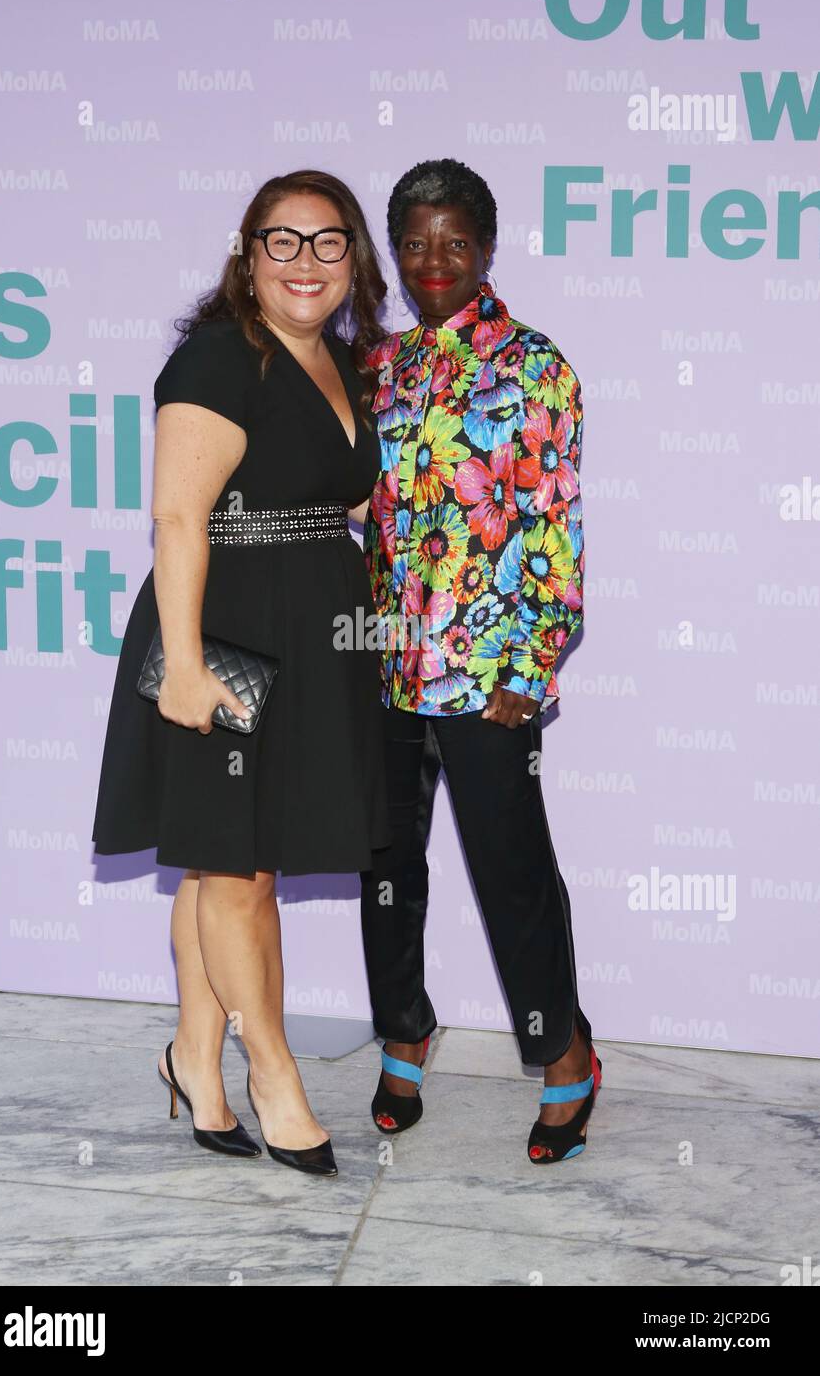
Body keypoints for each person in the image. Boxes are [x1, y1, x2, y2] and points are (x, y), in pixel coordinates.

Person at [92, 169, 391, 1177]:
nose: (305, 261)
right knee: (240, 875)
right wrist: (179, 665)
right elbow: (178, 518)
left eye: (328, 241)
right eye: (282, 241)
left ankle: (192, 1057)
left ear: (355, 260)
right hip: (222, 634)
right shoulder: (219, 358)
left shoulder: (340, 364)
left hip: (310, 636)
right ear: (246, 257)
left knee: (221, 857)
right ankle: (272, 1074)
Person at [360, 158, 602, 1164]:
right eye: (414, 241)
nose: (432, 262)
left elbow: (551, 525)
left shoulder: (533, 365)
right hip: (378, 661)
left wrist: (528, 664)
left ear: (487, 247)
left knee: (510, 869)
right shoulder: (380, 367)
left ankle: (564, 1055)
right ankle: (405, 1032)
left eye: (453, 241)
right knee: (384, 865)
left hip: (485, 674)